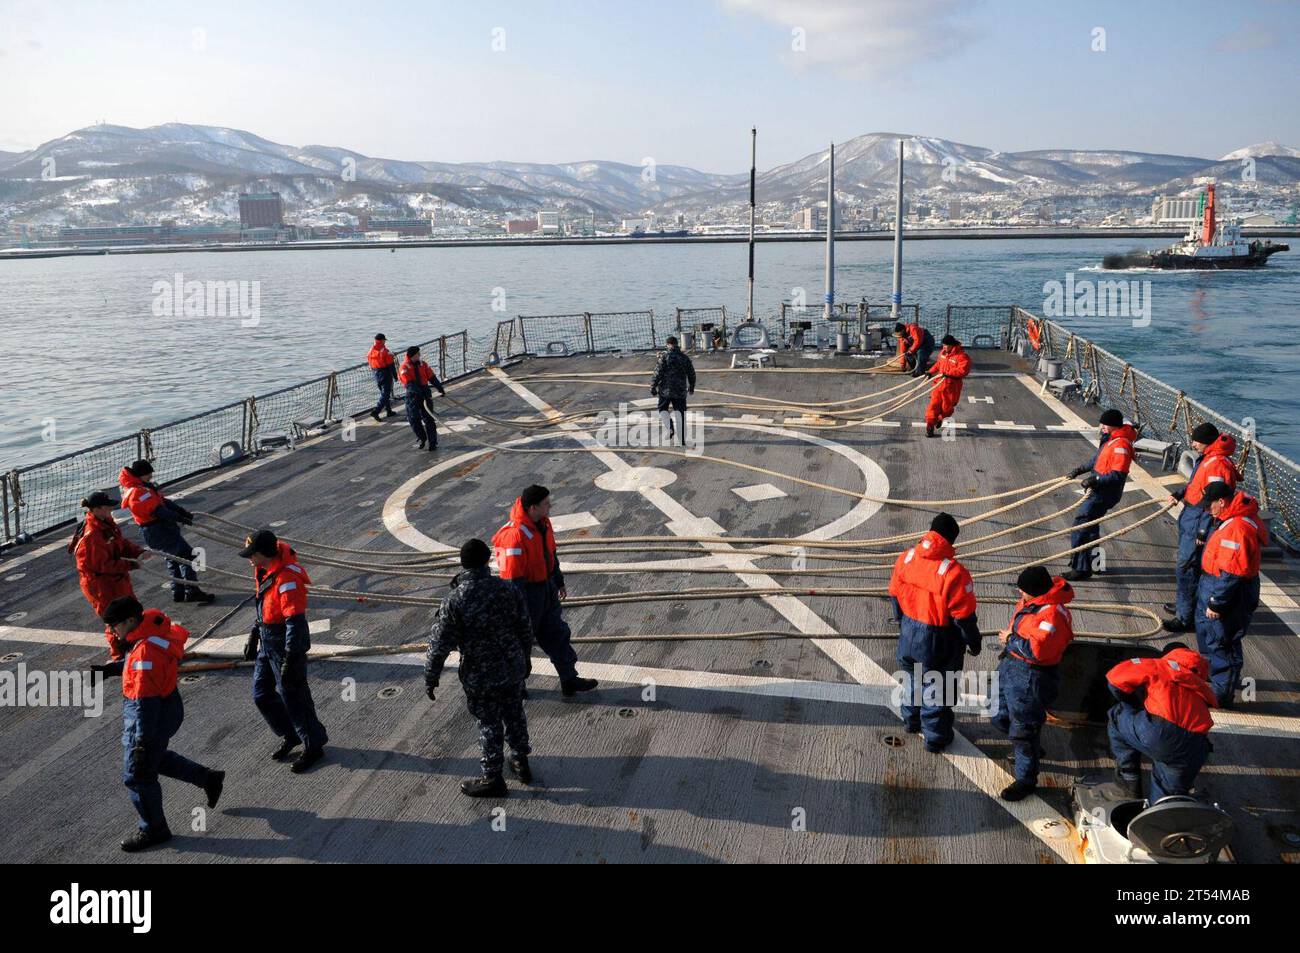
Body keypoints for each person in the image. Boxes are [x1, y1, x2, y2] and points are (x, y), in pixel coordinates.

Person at [102, 596, 224, 852]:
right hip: (167, 705)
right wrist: (117, 668)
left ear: (131, 621)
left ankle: (155, 830)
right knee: (154, 758)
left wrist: (142, 741)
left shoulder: (144, 652)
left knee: (138, 774)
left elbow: (147, 701)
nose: (112, 631)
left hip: (149, 712)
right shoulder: (148, 636)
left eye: (115, 625)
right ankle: (207, 778)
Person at [425, 539, 533, 798]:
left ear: (463, 565)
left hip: (480, 674)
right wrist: (524, 659)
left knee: (488, 723)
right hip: (511, 667)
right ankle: (520, 761)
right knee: (515, 713)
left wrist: (431, 676)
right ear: (488, 561)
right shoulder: (508, 589)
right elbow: (525, 628)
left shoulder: (455, 599)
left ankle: (493, 777)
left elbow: (439, 643)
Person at [492, 485, 598, 697]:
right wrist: (520, 611)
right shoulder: (514, 535)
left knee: (557, 633)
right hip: (527, 594)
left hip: (546, 588)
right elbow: (513, 579)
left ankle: (569, 678)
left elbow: (551, 553)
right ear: (533, 507)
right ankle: (517, 686)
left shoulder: (543, 524)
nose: (550, 506)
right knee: (522, 642)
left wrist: (558, 581)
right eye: (546, 503)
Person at [888, 512, 982, 752]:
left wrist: (903, 623)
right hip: (938, 640)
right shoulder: (954, 573)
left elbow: (895, 595)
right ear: (952, 540)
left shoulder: (906, 557)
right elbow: (964, 617)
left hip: (909, 632)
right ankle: (936, 737)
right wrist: (973, 642)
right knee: (937, 689)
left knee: (911, 680)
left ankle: (911, 721)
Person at [239, 529, 329, 772]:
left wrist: (290, 657)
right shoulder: (265, 570)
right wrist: (254, 635)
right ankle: (291, 734)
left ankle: (314, 744)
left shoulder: (287, 579)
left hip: (285, 642)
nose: (249, 558)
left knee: (295, 696)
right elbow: (264, 607)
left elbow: (294, 622)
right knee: (261, 694)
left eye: (251, 554)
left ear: (262, 553)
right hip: (268, 641)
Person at [992, 566, 1075, 801]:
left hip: (1031, 675)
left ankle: (1026, 779)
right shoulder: (1031, 602)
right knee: (998, 713)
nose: (1020, 594)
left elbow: (1036, 651)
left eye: (1023, 590)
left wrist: (1010, 639)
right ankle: (1031, 744)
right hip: (1011, 666)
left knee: (1022, 731)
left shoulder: (1052, 616)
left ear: (1035, 592)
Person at [1106, 643, 1217, 802]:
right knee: (1164, 805)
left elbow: (1114, 679)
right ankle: (1161, 817)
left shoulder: (1159, 665)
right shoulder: (1199, 686)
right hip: (1195, 747)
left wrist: (1132, 705)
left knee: (1116, 715)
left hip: (1159, 732)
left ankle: (1128, 777)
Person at [1194, 482, 1266, 708]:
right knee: (1208, 635)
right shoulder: (1229, 519)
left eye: (1209, 506)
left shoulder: (1236, 529)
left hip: (1226, 589)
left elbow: (1233, 573)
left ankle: (1221, 694)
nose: (1207, 511)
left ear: (1222, 502)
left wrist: (1216, 604)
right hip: (1213, 583)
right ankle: (1211, 676)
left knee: (1222, 641)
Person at [1163, 423, 1240, 633]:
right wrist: (1180, 493)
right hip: (1191, 517)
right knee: (1191, 566)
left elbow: (1216, 499)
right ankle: (1185, 606)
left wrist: (1203, 531)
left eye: (1196, 440)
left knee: (1186, 567)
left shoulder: (1217, 465)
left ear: (1206, 441)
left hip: (1199, 520)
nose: (1193, 444)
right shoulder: (1208, 458)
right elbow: (1198, 485)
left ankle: (1185, 618)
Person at [69, 491, 151, 663]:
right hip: (101, 585)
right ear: (97, 509)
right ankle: (119, 657)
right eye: (107, 507)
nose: (111, 509)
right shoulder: (93, 536)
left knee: (131, 612)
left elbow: (121, 543)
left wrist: (138, 551)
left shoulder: (106, 524)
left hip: (116, 580)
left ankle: (133, 646)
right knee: (114, 620)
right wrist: (131, 564)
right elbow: (103, 566)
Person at [118, 460, 215, 604]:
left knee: (173, 558)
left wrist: (181, 511)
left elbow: (162, 502)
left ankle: (178, 591)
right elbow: (158, 510)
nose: (151, 476)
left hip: (159, 529)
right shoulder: (139, 492)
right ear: (142, 474)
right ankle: (192, 590)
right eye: (149, 474)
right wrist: (180, 518)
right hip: (158, 529)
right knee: (186, 555)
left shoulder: (143, 488)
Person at [1062, 409, 1137, 582]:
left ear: (1114, 425)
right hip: (1100, 489)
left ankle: (1081, 569)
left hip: (1104, 493)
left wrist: (1095, 480)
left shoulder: (1121, 446)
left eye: (1105, 424)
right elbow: (1097, 460)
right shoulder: (1111, 439)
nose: (1102, 426)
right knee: (1092, 527)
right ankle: (1096, 565)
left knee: (1080, 527)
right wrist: (1079, 470)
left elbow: (1118, 475)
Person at [650, 335, 696, 446]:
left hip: (665, 391)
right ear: (677, 344)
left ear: (668, 344)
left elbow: (657, 373)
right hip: (680, 391)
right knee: (680, 414)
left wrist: (653, 387)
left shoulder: (664, 357)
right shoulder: (684, 358)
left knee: (662, 409)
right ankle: (682, 440)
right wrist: (691, 386)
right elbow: (691, 373)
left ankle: (670, 428)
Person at [397, 345, 445, 450]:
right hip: (412, 396)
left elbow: (431, 376)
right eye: (418, 354)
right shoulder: (404, 367)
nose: (419, 356)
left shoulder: (423, 364)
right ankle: (422, 437)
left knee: (429, 419)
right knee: (413, 419)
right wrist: (420, 393)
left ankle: (433, 443)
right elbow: (408, 383)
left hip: (425, 393)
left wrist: (439, 387)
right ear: (413, 356)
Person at [923, 335, 971, 438]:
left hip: (952, 387)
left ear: (952, 345)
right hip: (939, 384)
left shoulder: (962, 357)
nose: (944, 347)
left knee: (947, 408)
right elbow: (938, 364)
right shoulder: (942, 354)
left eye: (946, 345)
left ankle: (940, 418)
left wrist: (949, 373)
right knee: (933, 406)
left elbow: (963, 370)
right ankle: (930, 426)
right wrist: (930, 372)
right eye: (943, 345)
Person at [367, 332, 398, 422]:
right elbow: (391, 365)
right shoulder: (385, 352)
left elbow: (370, 362)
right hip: (385, 374)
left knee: (384, 393)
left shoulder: (371, 351)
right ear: (382, 341)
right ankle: (376, 411)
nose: (385, 342)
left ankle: (389, 411)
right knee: (386, 394)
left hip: (376, 373)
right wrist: (395, 376)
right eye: (384, 340)